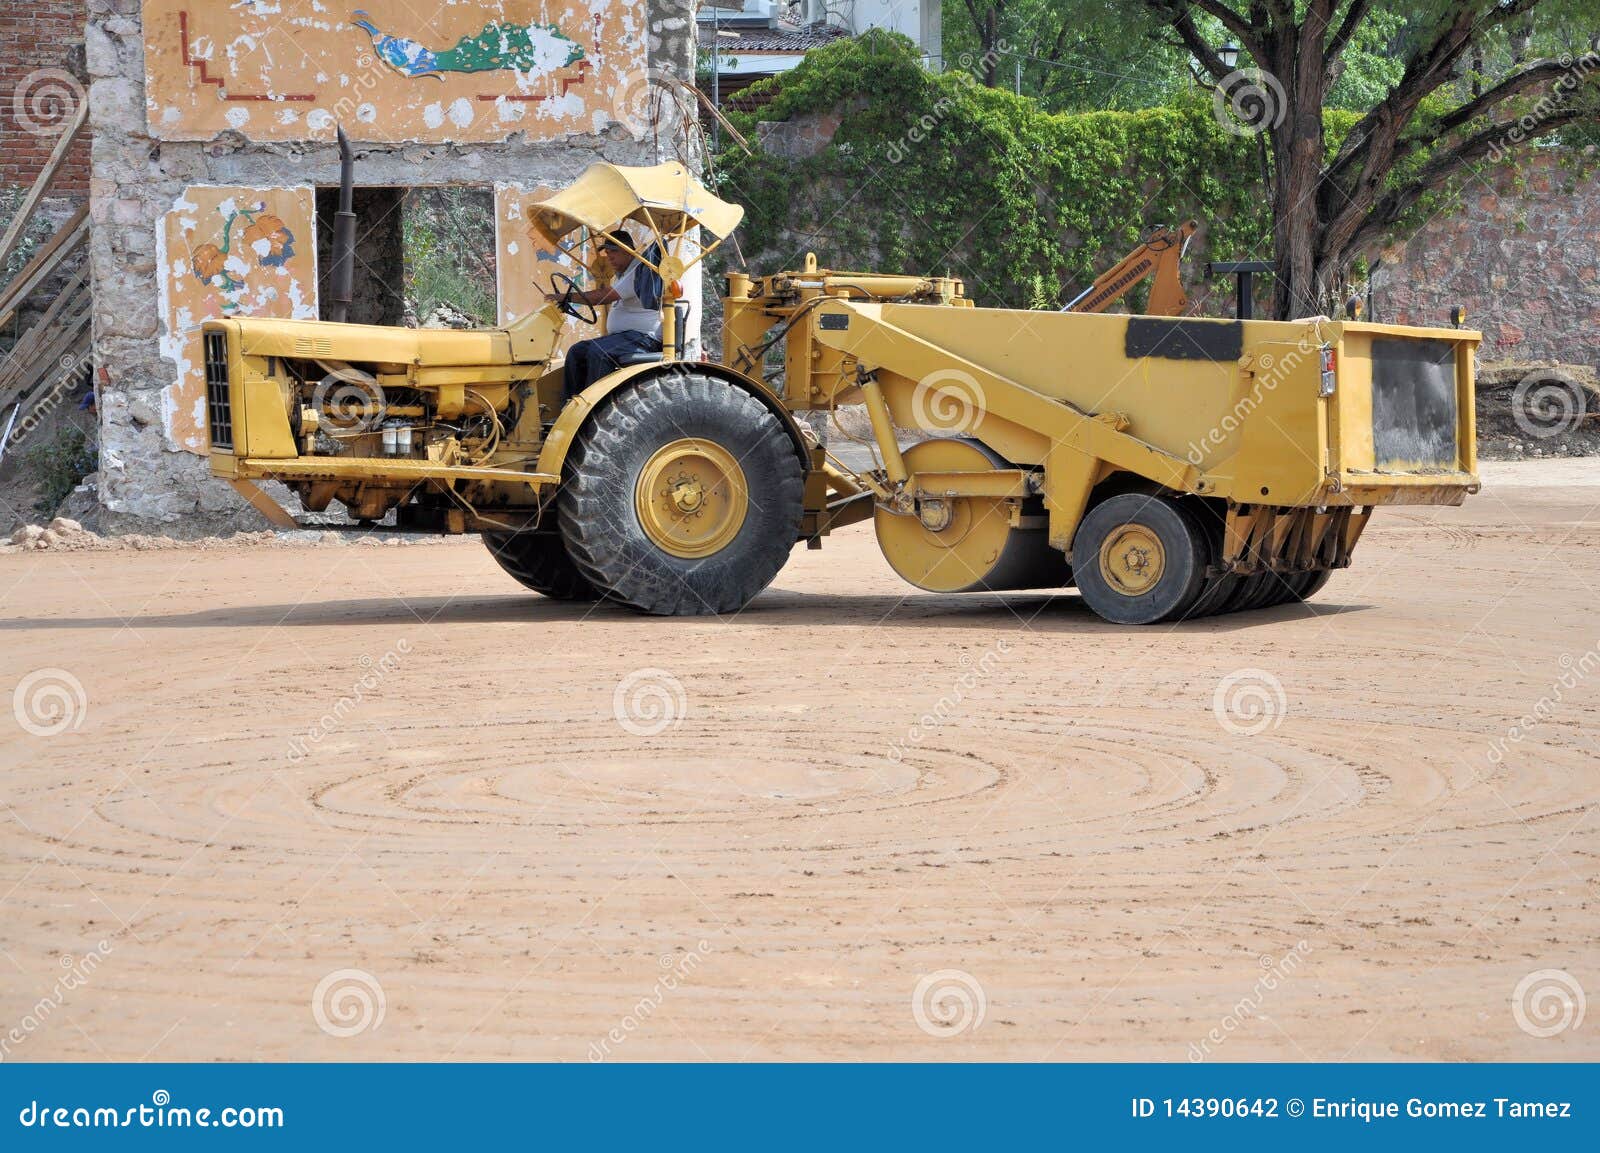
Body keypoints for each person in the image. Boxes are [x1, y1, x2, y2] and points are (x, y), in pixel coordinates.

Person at [547, 231, 666, 398]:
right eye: (607, 253)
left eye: (614, 252)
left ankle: (596, 406)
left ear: (628, 250)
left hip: (644, 338)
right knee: (576, 351)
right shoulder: (622, 274)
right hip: (625, 337)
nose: (609, 258)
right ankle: (571, 404)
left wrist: (565, 297)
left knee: (600, 353)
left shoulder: (637, 270)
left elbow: (602, 297)